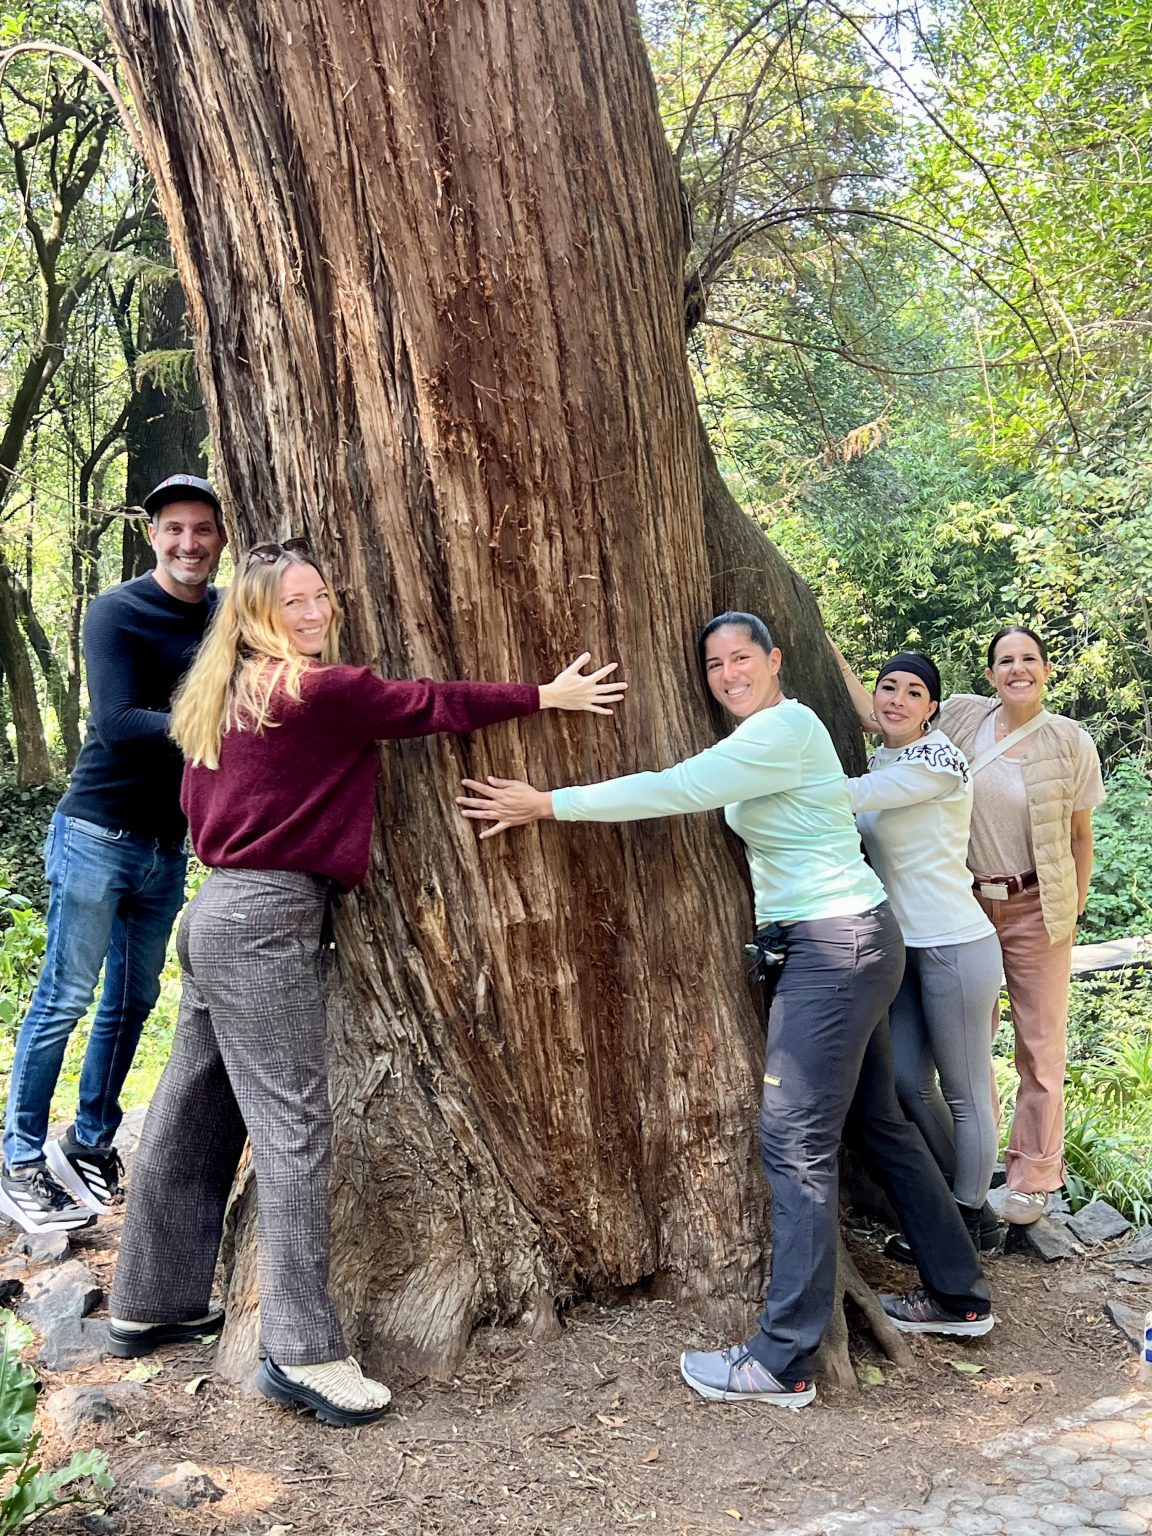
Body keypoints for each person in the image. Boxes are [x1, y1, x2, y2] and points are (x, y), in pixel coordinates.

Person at [106, 538, 626, 1428]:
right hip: (265, 918)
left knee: (194, 1105)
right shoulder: (320, 690)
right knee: (294, 1127)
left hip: (216, 914)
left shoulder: (218, 699)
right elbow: (429, 705)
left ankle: (148, 1300)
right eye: (294, 603)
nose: (316, 614)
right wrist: (547, 693)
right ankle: (303, 1352)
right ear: (256, 613)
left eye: (320, 597)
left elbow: (201, 808)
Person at [458, 611, 993, 1411]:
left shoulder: (782, 730)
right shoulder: (778, 734)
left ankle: (785, 1360)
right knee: (876, 1121)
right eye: (714, 664)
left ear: (775, 660)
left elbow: (675, 788)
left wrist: (548, 803)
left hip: (834, 946)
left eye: (742, 656)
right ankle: (957, 1295)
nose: (729, 673)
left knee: (795, 1140)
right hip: (852, 937)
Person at [0, 475, 228, 1234]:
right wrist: (225, 720)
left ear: (220, 539)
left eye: (202, 529)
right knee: (63, 997)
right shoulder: (117, 612)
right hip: (97, 832)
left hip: (167, 845)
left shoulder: (229, 614)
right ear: (153, 534)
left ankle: (89, 1143)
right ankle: (20, 1160)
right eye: (174, 529)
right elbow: (120, 717)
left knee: (131, 1004)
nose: (188, 543)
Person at [831, 645, 1004, 1256]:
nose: (896, 699)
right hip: (901, 945)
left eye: (912, 692)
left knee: (965, 1088)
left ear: (932, 708)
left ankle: (969, 1215)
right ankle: (958, 1189)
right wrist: (835, 654)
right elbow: (865, 712)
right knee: (907, 1081)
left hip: (957, 943)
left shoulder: (937, 761)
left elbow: (847, 797)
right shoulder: (889, 752)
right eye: (888, 688)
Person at [936, 627, 1104, 1225]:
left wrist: (1074, 906)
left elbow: (1081, 836)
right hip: (965, 903)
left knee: (1039, 1044)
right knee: (966, 1041)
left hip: (1037, 904)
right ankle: (975, 1168)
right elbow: (881, 717)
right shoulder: (959, 718)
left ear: (1047, 669)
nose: (1017, 669)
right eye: (1005, 660)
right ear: (989, 675)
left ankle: (1033, 1175)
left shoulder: (1069, 741)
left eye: (1028, 659)